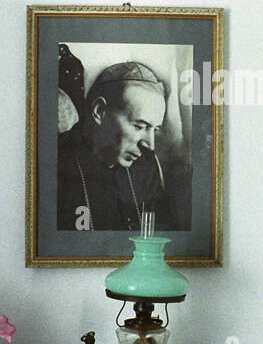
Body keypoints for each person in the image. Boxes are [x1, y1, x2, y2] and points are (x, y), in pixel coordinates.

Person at [57, 61, 188, 232]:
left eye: (154, 130)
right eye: (139, 126)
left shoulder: (146, 165)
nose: (150, 145)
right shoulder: (55, 161)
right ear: (99, 111)